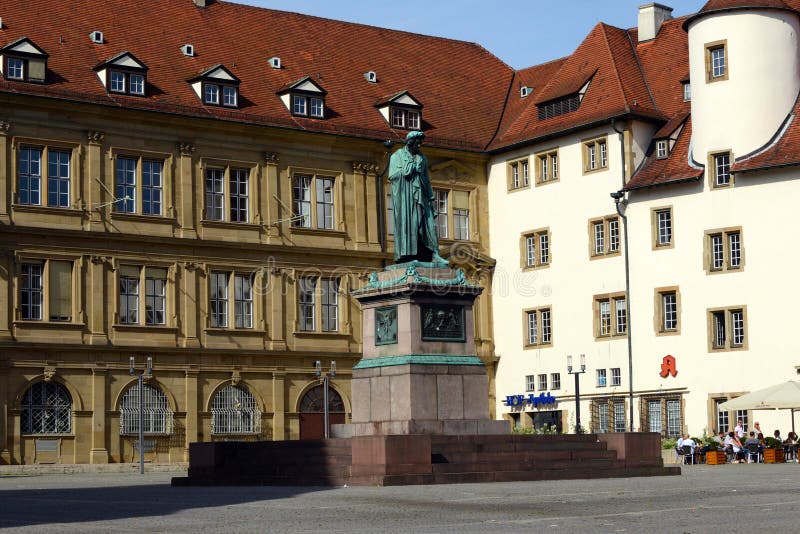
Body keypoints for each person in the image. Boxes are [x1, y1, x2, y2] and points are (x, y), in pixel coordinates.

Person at [388, 130, 447, 265]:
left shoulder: (422, 158)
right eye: (417, 143)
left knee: (429, 224)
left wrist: (431, 198)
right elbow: (393, 176)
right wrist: (408, 170)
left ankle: (434, 254)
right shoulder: (397, 156)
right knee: (411, 224)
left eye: (421, 143)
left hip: (422, 196)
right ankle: (408, 255)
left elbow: (426, 179)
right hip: (406, 198)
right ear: (410, 143)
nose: (419, 146)